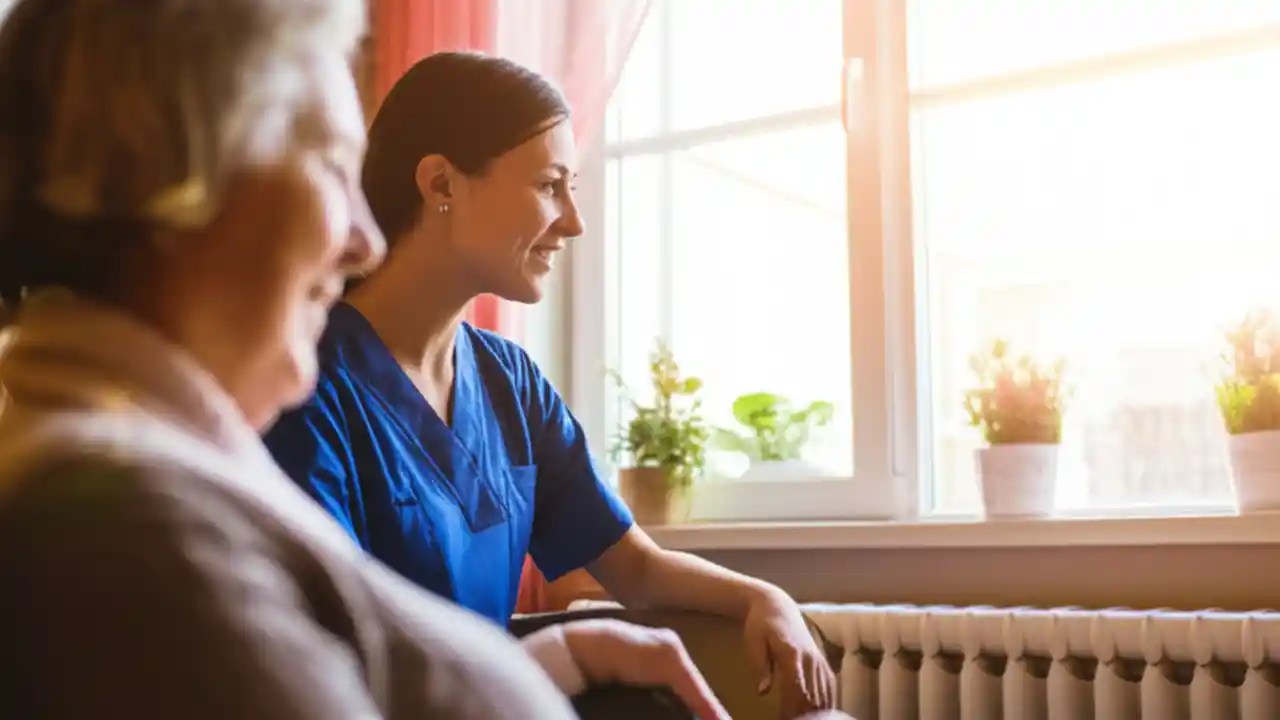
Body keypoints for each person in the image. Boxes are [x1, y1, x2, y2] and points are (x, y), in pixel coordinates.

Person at [0, 2, 731, 718]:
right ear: (179, 172)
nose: (364, 239)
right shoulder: (132, 532)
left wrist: (569, 657)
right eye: (328, 162)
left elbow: (359, 675)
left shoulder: (158, 476)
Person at [264, 51, 838, 718]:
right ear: (442, 182)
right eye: (549, 185)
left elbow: (636, 570)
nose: (573, 221)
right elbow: (326, 653)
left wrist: (764, 599)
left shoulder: (511, 383)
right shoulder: (305, 383)